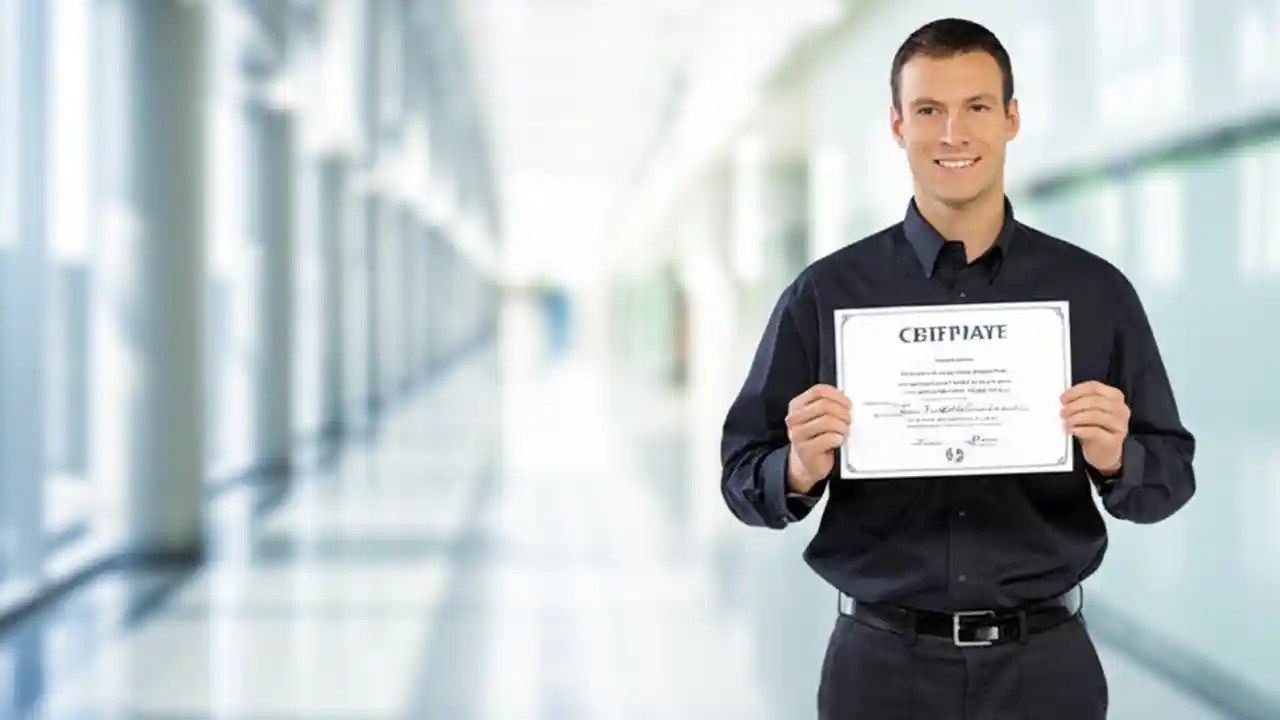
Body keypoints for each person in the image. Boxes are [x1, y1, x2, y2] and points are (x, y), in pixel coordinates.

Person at [719, 17, 1196, 719]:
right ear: (895, 125)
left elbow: (1170, 478)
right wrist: (794, 468)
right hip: (881, 672)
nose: (953, 134)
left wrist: (1116, 456)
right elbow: (740, 478)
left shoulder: (1093, 293)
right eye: (929, 111)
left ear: (1011, 119)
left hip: (1045, 672)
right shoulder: (826, 296)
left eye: (976, 108)